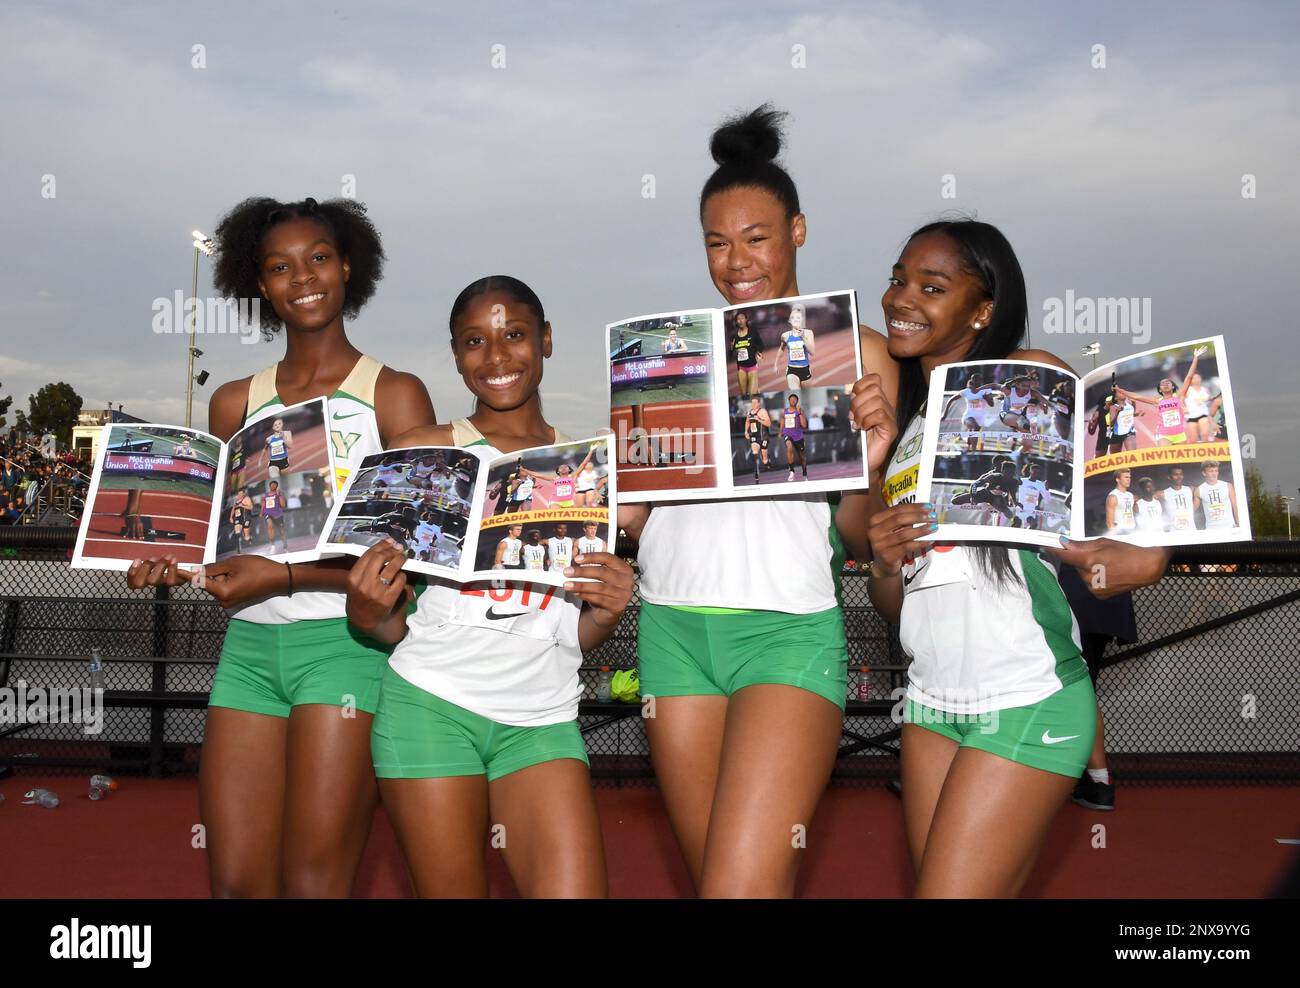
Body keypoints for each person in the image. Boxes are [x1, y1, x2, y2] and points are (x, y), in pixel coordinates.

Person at [622, 104, 899, 897]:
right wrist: (616, 494)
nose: (736, 260)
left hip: (786, 632)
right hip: (671, 627)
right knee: (723, 880)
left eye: (757, 237)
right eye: (717, 241)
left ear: (799, 230)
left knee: (738, 885)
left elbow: (859, 535)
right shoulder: (676, 354)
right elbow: (638, 517)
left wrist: (870, 464)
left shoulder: (856, 347)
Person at [126, 196, 436, 898]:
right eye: (281, 267)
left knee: (313, 886)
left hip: (347, 652)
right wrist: (164, 563)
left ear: (349, 266)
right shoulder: (233, 402)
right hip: (249, 655)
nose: (303, 278)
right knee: (235, 885)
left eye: (319, 258)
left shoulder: (394, 396)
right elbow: (222, 539)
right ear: (258, 285)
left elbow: (406, 562)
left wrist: (283, 578)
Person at [858, 217, 1171, 897]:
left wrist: (1148, 555)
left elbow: (1139, 496)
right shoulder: (903, 428)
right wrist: (883, 560)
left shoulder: (1036, 381)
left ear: (984, 309)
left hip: (1028, 694)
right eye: (898, 278)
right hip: (929, 706)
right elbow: (894, 599)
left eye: (932, 286)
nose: (901, 298)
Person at [347, 275, 633, 898]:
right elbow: (387, 623)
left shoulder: (590, 468)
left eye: (515, 335)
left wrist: (609, 608)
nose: (497, 356)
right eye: (475, 340)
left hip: (543, 717)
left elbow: (572, 635)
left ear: (546, 340)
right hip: (430, 705)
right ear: (455, 354)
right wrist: (366, 609)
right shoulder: (423, 454)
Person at [1118, 345, 1208, 446]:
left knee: (1181, 460)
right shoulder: (1157, 401)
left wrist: (1195, 358)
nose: (1165, 384)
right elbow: (1136, 397)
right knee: (1166, 456)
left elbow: (1189, 376)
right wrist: (1120, 390)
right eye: (1162, 383)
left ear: (1172, 387)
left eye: (1167, 383)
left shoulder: (1179, 396)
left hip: (1180, 435)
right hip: (1164, 434)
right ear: (1160, 389)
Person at [774, 302, 813, 391]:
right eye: (793, 318)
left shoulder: (807, 333)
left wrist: (803, 338)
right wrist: (776, 363)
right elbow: (781, 349)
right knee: (795, 391)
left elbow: (812, 352)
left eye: (798, 318)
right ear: (789, 320)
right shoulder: (785, 335)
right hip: (792, 370)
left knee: (807, 392)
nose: (795, 320)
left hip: (805, 369)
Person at [1194, 460, 1238, 529]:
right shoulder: (1199, 490)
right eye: (1211, 471)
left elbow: (1235, 506)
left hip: (1229, 527)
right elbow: (1192, 510)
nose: (1214, 474)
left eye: (1216, 471)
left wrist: (1239, 524)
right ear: (1204, 473)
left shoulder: (1227, 486)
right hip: (1211, 530)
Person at [732, 311, 763, 397]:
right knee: (744, 395)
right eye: (738, 319)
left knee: (752, 395)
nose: (740, 321)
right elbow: (731, 352)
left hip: (752, 367)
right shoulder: (734, 335)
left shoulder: (753, 332)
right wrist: (733, 349)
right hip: (741, 368)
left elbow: (761, 344)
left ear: (746, 319)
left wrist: (758, 352)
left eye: (742, 318)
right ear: (736, 322)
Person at [780, 392, 808, 482]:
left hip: (798, 436)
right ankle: (791, 471)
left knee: (802, 457)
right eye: (791, 399)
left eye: (795, 399)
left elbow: (804, 425)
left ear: (797, 401)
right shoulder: (784, 411)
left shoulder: (799, 410)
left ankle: (804, 474)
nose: (793, 401)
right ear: (789, 400)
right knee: (789, 447)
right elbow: (782, 423)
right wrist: (780, 432)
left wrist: (800, 413)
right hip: (787, 434)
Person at [743, 396, 772, 483]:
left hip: (763, 436)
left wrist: (759, 419)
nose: (753, 404)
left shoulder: (763, 411)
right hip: (754, 437)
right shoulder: (749, 412)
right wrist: (746, 432)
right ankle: (756, 476)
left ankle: (767, 460)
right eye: (752, 402)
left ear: (759, 403)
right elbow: (747, 422)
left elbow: (769, 424)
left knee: (765, 461)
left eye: (755, 402)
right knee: (754, 453)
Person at [1106, 468, 1137, 535]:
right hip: (1121, 532)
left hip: (1132, 530)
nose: (1129, 479)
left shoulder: (1130, 495)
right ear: (1118, 479)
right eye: (1126, 477)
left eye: (1129, 477)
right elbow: (1109, 522)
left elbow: (1131, 513)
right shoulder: (1113, 496)